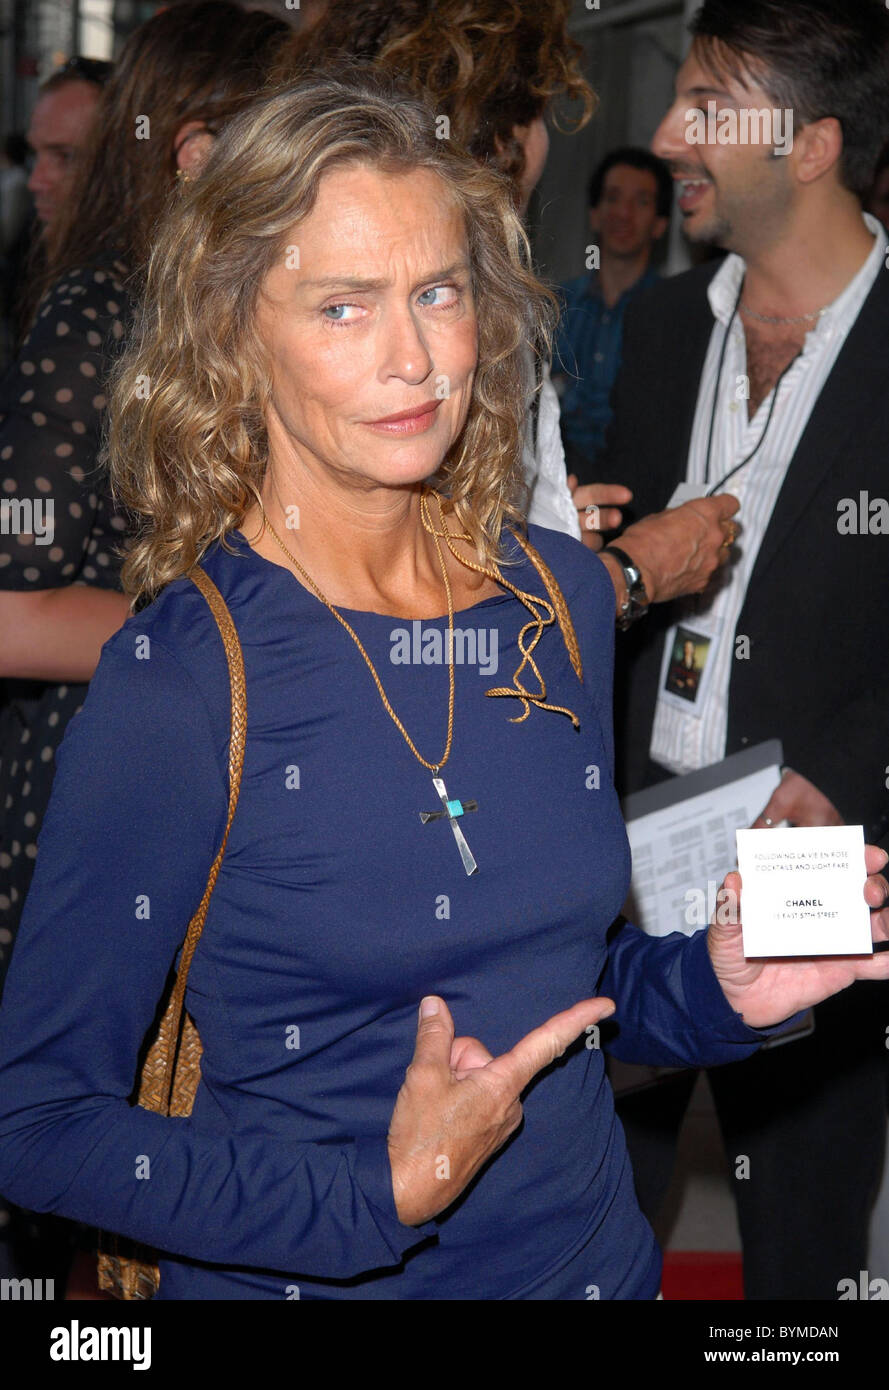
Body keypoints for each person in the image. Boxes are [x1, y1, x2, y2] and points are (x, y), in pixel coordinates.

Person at [0, 71, 886, 1302]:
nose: (413, 357)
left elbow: (570, 996)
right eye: (342, 307)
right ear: (232, 333)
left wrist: (717, 989)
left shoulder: (559, 601)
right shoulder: (183, 679)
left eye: (436, 291)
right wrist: (378, 1193)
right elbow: (38, 1120)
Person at [596, 0, 889, 1299]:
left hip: (812, 857)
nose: (667, 137)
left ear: (812, 141)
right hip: (621, 858)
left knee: (796, 1255)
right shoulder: (655, 332)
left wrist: (846, 765)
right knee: (587, 1223)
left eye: (707, 104)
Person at [0, 0, 291, 1294]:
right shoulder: (96, 319)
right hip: (88, 783)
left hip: (205, 777)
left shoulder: (223, 314)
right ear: (194, 148)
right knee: (87, 1167)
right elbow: (9, 613)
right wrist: (236, 635)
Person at [282, 0, 740, 643]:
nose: (411, 359)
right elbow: (440, 627)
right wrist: (633, 573)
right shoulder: (469, 324)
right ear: (503, 130)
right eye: (541, 112)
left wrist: (545, 526)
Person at [551, 148, 672, 479]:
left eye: (642, 202)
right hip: (557, 488)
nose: (623, 213)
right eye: (613, 198)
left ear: (661, 224)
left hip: (641, 488)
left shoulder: (675, 314)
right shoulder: (554, 305)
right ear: (594, 213)